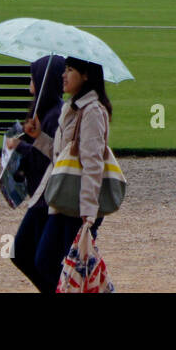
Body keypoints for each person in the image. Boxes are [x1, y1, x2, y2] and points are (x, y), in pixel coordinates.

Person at [20, 58, 112, 293]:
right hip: (64, 199)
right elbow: (61, 154)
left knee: (50, 264)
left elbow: (93, 165)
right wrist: (39, 137)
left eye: (70, 70)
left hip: (78, 205)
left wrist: (88, 214)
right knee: (51, 264)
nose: (64, 75)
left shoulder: (92, 111)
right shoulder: (71, 108)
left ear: (85, 75)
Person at [8, 54, 67, 292]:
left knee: (29, 256)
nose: (29, 85)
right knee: (33, 257)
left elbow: (50, 158)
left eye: (32, 78)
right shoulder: (48, 112)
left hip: (46, 197)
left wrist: (19, 147)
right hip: (43, 197)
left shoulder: (54, 115)